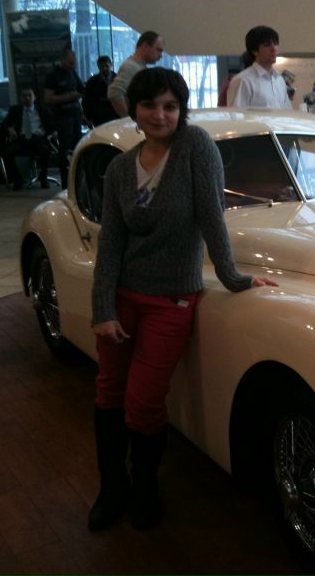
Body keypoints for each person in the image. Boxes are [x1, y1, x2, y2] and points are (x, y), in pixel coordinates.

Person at [88, 67, 278, 532]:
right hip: (122, 294)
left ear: (181, 110)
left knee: (143, 402)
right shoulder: (119, 169)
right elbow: (110, 243)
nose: (160, 114)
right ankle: (112, 487)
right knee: (108, 392)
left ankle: (145, 488)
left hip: (171, 299)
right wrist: (102, 309)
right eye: (150, 105)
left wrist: (234, 278)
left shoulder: (196, 147)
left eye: (170, 106)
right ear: (134, 110)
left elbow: (213, 217)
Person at [44, 46, 85, 189]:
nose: (72, 66)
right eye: (69, 63)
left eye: (74, 63)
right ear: (62, 60)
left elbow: (81, 90)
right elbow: (48, 98)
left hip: (76, 116)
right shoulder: (53, 76)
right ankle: (66, 185)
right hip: (62, 118)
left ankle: (78, 182)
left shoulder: (72, 73)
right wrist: (70, 97)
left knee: (77, 149)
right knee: (65, 152)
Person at [0, 87, 55, 189]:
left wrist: (51, 135)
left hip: (38, 138)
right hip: (22, 139)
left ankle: (43, 177)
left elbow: (52, 125)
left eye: (29, 95)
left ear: (34, 97)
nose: (27, 98)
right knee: (7, 153)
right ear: (21, 98)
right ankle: (18, 178)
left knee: (45, 151)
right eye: (24, 96)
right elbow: (4, 124)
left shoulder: (42, 109)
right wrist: (10, 129)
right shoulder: (15, 110)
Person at [226, 26, 292, 109]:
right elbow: (235, 114)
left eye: (275, 44)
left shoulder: (279, 79)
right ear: (255, 51)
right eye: (267, 45)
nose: (273, 49)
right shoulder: (243, 80)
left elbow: (287, 111)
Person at [108, 31, 165, 118]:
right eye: (158, 50)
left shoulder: (138, 66)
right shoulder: (131, 67)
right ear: (145, 46)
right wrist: (128, 119)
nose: (160, 55)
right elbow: (114, 92)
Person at [83, 55, 118, 127]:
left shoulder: (118, 79)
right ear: (98, 67)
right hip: (99, 117)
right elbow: (87, 101)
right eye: (102, 67)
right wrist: (89, 118)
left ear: (111, 65)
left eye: (106, 66)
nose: (104, 69)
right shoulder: (92, 82)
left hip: (116, 114)